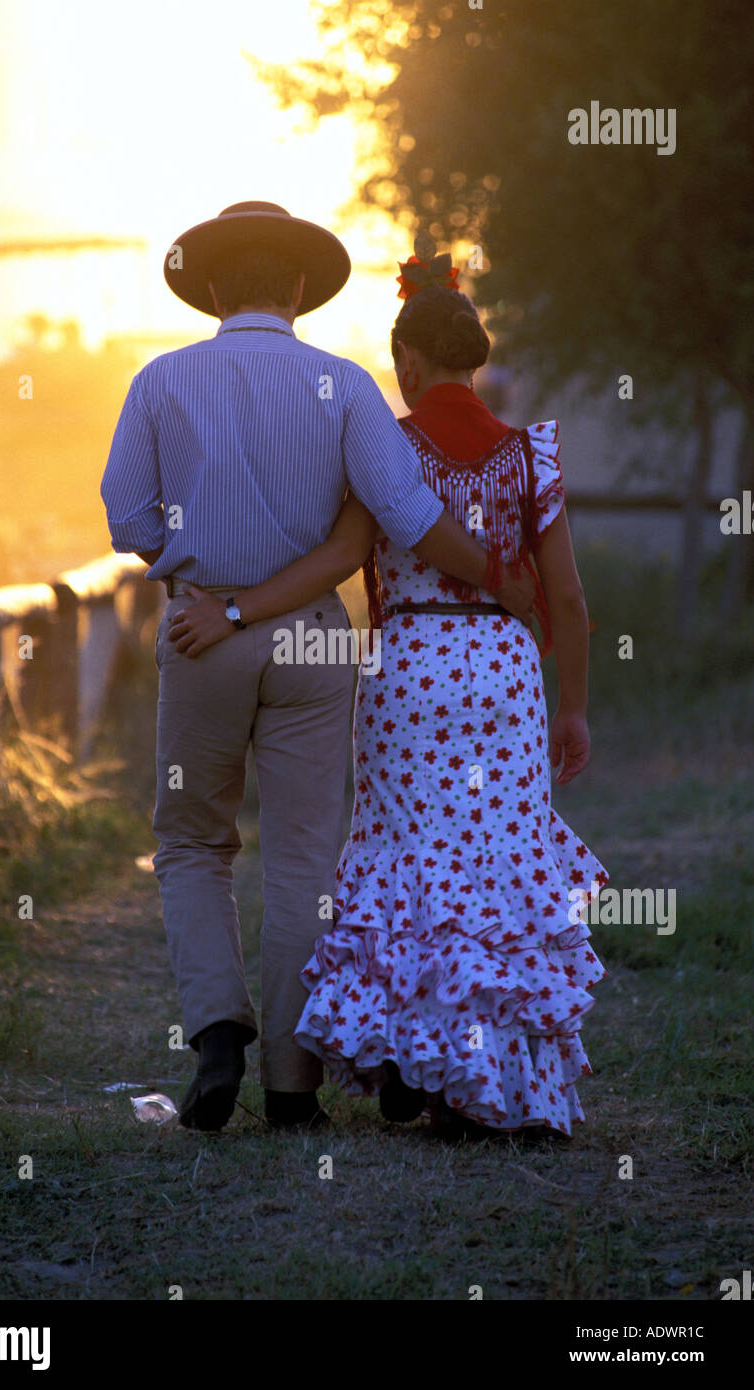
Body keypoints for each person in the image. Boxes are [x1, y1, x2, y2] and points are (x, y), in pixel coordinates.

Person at [100, 204, 535, 1133]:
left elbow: (130, 523)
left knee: (192, 841)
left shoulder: (159, 382)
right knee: (304, 853)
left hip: (199, 634)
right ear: (298, 290)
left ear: (211, 290)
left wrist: (210, 583)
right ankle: (293, 1093)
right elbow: (407, 515)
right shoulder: (344, 385)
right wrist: (510, 584)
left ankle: (217, 1033)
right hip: (313, 640)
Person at [168, 239, 609, 1139]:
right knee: (492, 868)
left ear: (407, 360)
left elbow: (339, 553)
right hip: (500, 671)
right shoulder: (533, 455)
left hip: (407, 670)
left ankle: (414, 1063)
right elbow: (566, 597)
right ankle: (490, 1080)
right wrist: (571, 706)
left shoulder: (387, 447)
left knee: (410, 862)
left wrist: (240, 606)